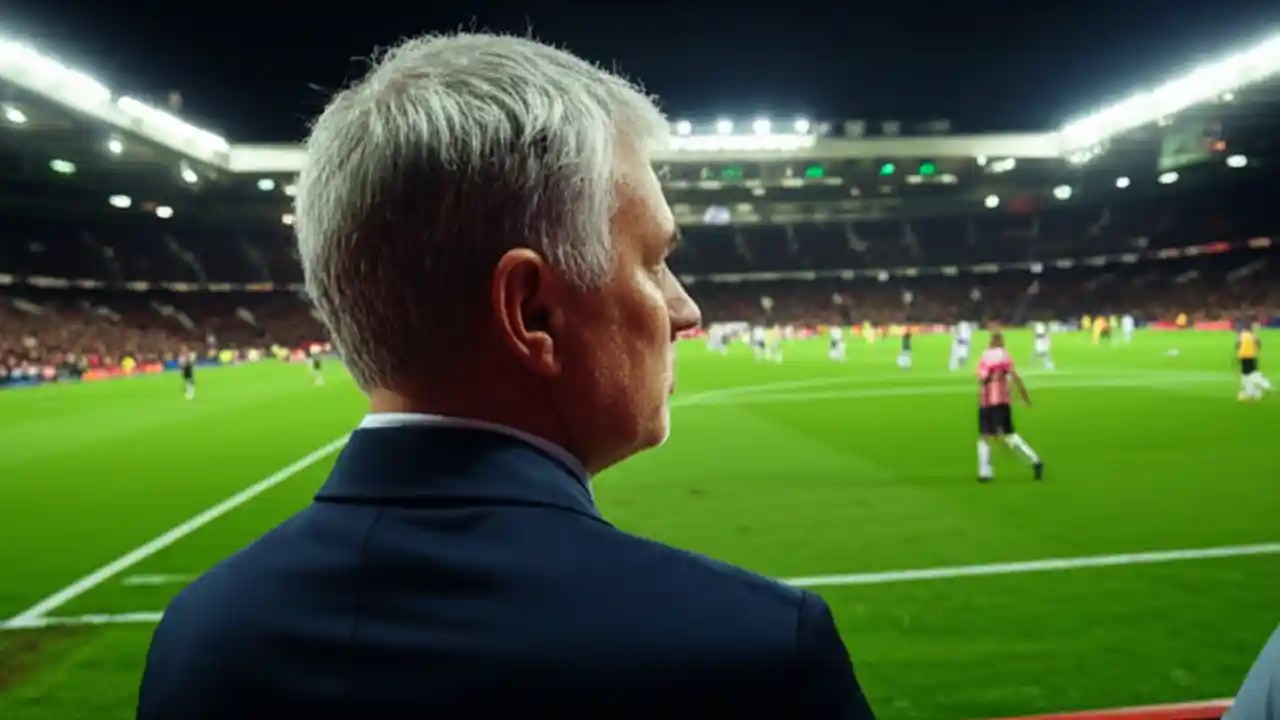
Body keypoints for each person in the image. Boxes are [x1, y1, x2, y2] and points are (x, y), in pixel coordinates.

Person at [137, 33, 874, 719]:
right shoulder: (753, 654)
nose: (686, 309)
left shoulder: (199, 640)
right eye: (653, 261)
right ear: (533, 314)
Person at [976, 332, 1044, 483]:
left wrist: (991, 377)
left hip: (987, 402)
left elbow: (982, 376)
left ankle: (985, 472)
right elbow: (1015, 377)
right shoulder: (1005, 356)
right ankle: (1035, 460)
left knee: (984, 436)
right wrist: (1025, 397)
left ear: (990, 342)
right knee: (1009, 435)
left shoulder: (985, 356)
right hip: (1003, 401)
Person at [1236, 322, 1270, 402]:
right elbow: (1259, 344)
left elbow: (1238, 345)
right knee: (1249, 374)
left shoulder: (1241, 335)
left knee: (1248, 374)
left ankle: (1262, 386)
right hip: (1251, 356)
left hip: (1243, 356)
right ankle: (1254, 392)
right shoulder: (1253, 336)